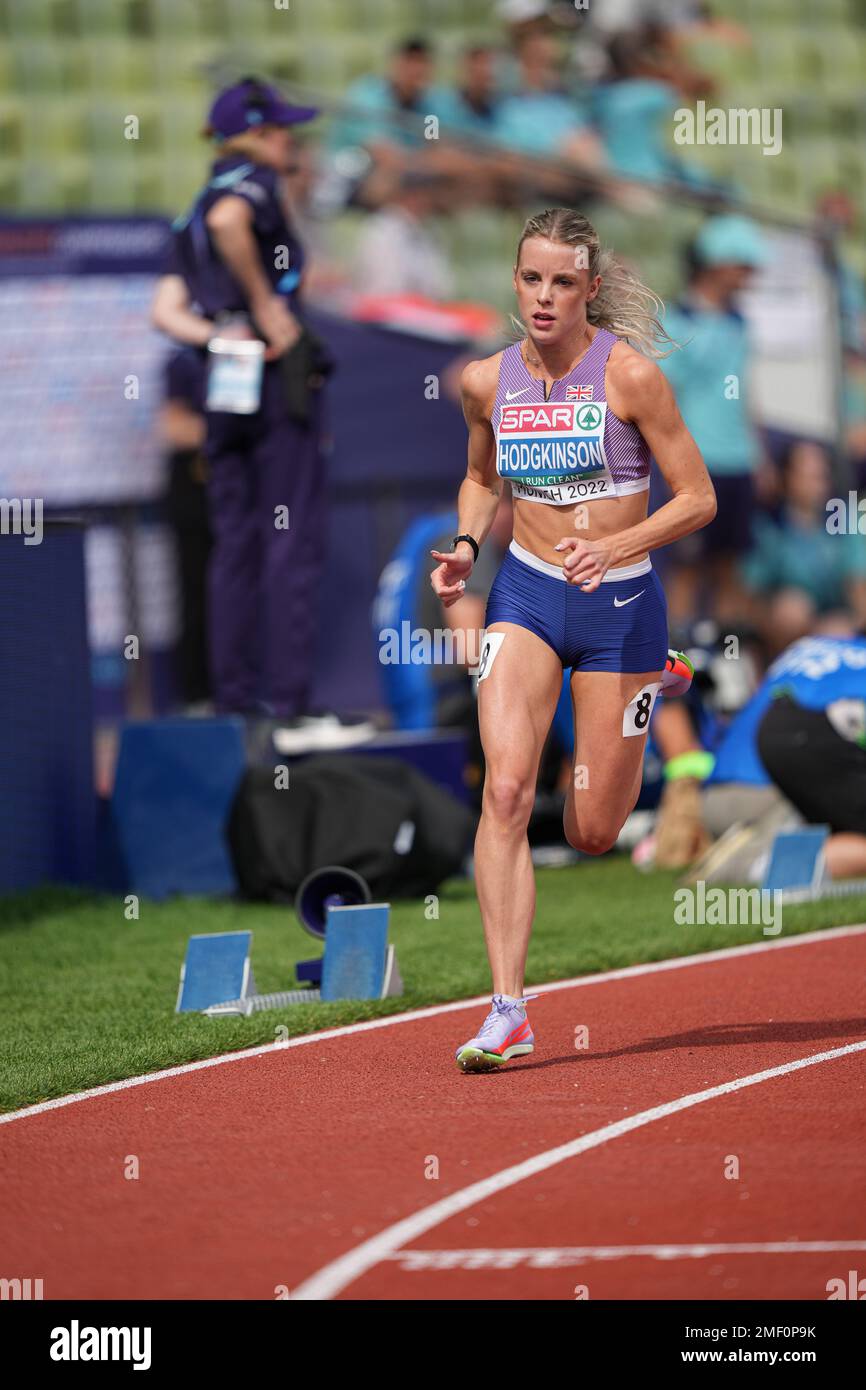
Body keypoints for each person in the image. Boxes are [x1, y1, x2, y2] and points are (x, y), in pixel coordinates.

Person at [430, 206, 715, 1071]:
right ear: (514, 282)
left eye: (562, 281)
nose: (544, 297)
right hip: (525, 594)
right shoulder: (486, 381)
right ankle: (508, 1008)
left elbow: (697, 497)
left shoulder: (629, 377)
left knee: (593, 830)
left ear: (591, 288)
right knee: (508, 792)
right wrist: (469, 548)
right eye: (530, 278)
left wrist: (619, 544)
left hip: (621, 608)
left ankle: (654, 675)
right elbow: (481, 479)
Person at [151, 77, 333, 727]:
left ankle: (234, 703)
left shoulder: (193, 207)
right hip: (275, 384)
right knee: (290, 541)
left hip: (225, 385)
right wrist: (262, 310)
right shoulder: (250, 188)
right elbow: (236, 226)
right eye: (283, 130)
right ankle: (286, 709)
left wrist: (224, 334)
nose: (292, 142)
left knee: (235, 545)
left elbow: (166, 311)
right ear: (255, 135)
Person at [658, 215, 770, 628]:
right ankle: (675, 667)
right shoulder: (674, 323)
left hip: (737, 464)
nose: (749, 276)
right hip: (695, 464)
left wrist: (758, 457)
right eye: (743, 266)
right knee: (686, 568)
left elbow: (744, 394)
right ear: (717, 264)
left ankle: (727, 668)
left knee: (729, 569)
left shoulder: (739, 322)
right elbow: (665, 403)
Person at [741, 439, 866, 655]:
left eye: (821, 475)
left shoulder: (844, 520)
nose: (817, 482)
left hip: (836, 620)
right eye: (809, 475)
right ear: (787, 478)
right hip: (785, 626)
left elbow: (857, 584)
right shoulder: (769, 525)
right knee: (793, 609)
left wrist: (857, 623)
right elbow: (750, 596)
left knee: (838, 630)